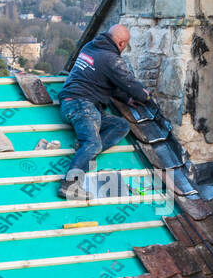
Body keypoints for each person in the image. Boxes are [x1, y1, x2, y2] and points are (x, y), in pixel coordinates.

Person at [56, 23, 152, 200]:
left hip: (71, 104)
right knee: (93, 143)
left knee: (121, 125)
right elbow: (132, 86)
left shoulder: (91, 47)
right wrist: (144, 97)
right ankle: (70, 185)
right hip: (82, 106)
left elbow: (106, 83)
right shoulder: (111, 59)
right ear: (121, 43)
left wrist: (126, 99)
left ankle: (84, 150)